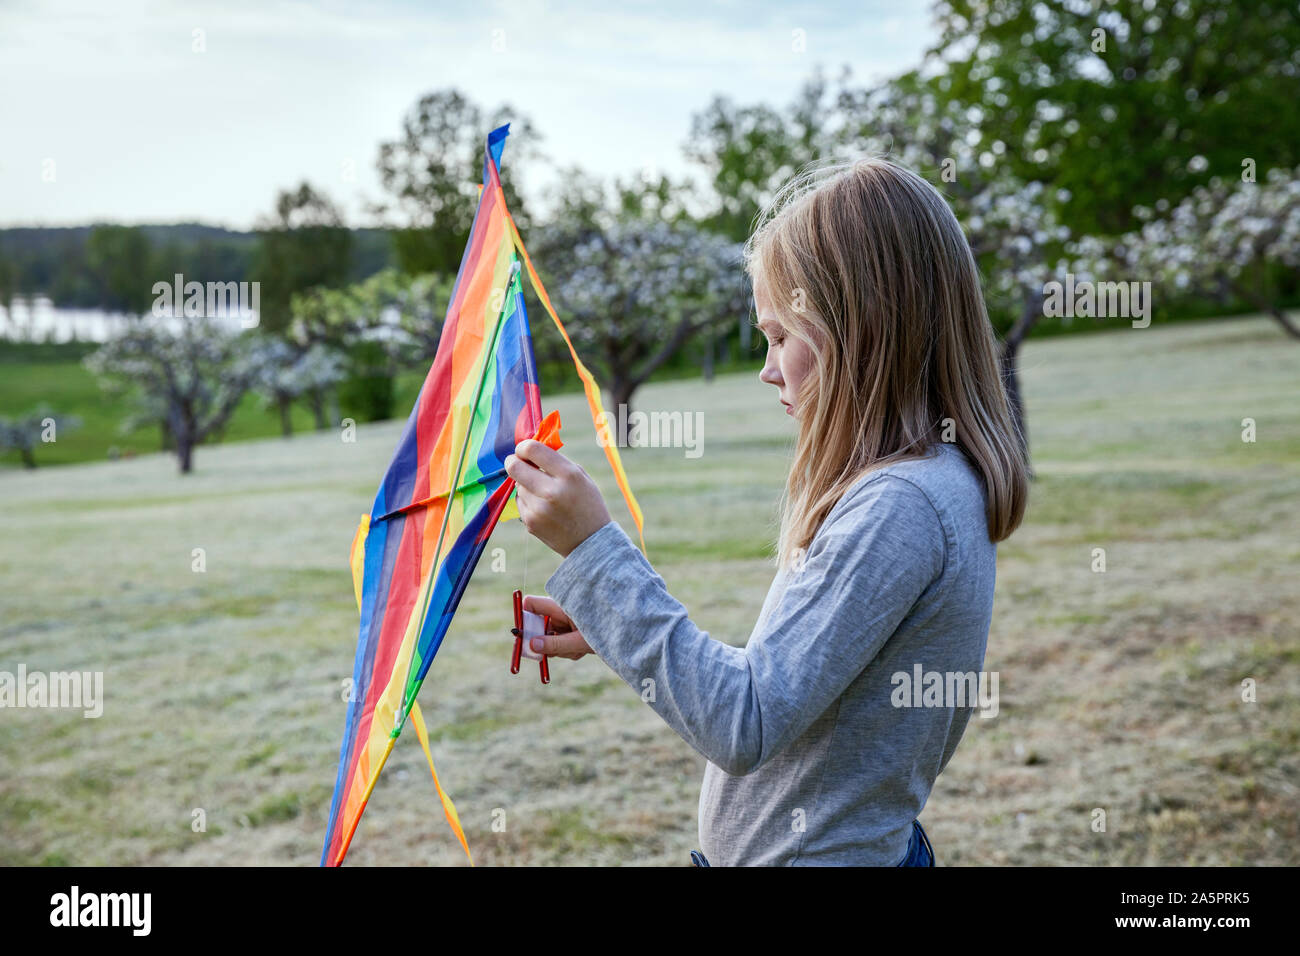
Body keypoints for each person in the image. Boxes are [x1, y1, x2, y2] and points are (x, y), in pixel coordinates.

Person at [502, 156, 1030, 866]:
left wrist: (593, 551)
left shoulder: (900, 505)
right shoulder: (918, 486)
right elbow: (795, 681)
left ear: (863, 328)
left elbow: (743, 720)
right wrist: (609, 623)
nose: (767, 366)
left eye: (781, 335)